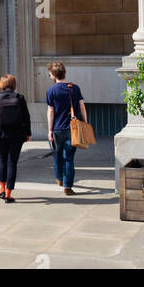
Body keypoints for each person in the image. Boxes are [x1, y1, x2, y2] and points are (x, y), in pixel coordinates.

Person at [0, 73, 31, 202]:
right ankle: (9, 194)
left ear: (2, 85)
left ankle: (2, 190)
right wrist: (28, 133)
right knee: (12, 163)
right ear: (13, 84)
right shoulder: (20, 98)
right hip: (17, 135)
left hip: (1, 134)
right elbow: (26, 117)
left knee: (2, 161)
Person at [46, 60, 89, 195]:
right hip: (73, 129)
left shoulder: (51, 90)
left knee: (57, 155)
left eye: (49, 74)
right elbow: (82, 106)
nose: (50, 76)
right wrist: (85, 123)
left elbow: (51, 111)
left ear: (53, 74)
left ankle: (59, 178)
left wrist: (50, 130)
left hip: (57, 129)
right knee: (68, 158)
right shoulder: (74, 88)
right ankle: (67, 186)